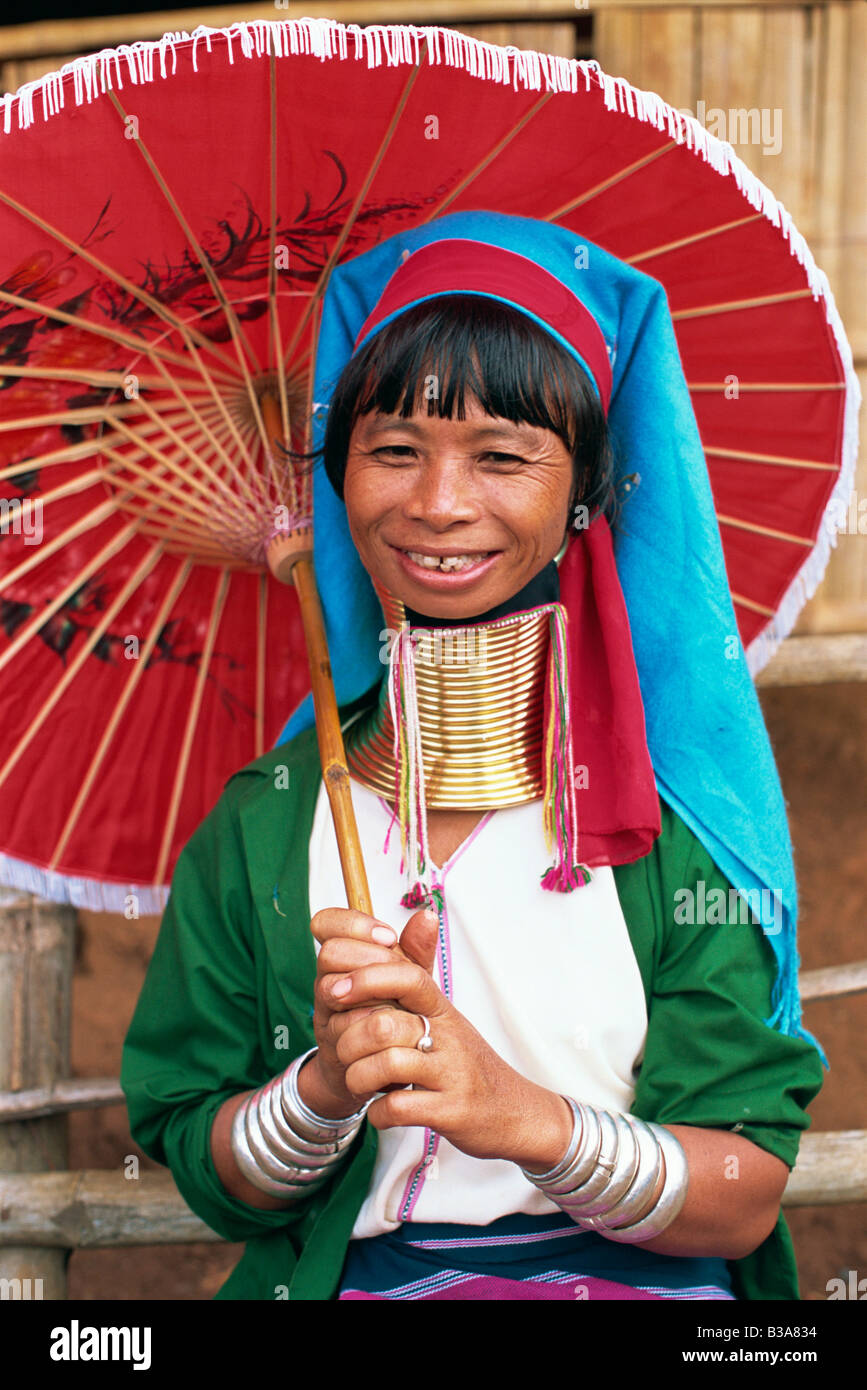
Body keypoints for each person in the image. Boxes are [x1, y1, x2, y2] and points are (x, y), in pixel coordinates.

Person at [121, 212, 824, 1301]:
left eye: (502, 456)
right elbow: (207, 1172)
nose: (438, 505)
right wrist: (318, 1093)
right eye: (393, 449)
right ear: (336, 475)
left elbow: (743, 1184)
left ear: (588, 488)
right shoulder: (265, 824)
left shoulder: (671, 825)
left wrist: (524, 1118)